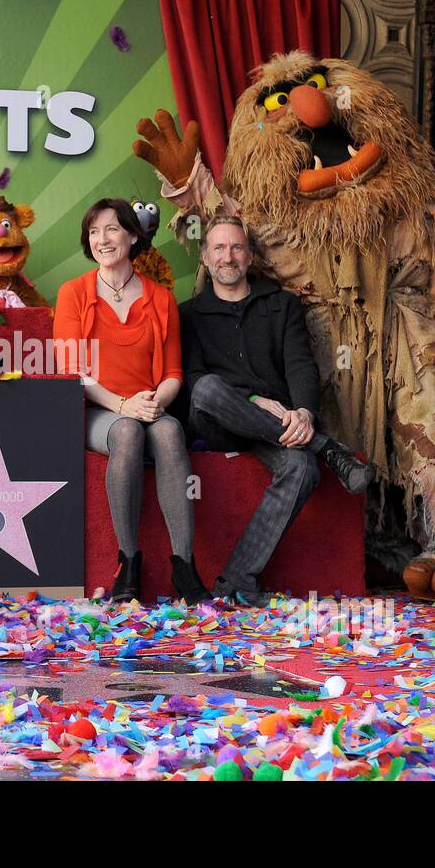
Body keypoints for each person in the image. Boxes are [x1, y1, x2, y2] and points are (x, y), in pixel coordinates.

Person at [181, 216, 372, 606]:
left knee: (301, 469)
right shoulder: (189, 314)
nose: (228, 257)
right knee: (206, 388)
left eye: (236, 248)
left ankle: (237, 582)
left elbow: (300, 365)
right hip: (218, 422)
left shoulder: (280, 305)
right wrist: (251, 400)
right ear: (206, 256)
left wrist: (302, 411)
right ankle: (324, 447)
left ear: (250, 256)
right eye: (218, 248)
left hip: (275, 427)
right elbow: (193, 379)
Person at [54, 198, 208, 605]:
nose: (102, 239)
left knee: (171, 431)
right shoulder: (73, 293)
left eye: (111, 229)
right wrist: (124, 406)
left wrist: (156, 402)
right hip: (98, 410)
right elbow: (73, 371)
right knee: (125, 432)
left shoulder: (160, 298)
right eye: (94, 232)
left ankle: (185, 566)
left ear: (133, 234)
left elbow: (174, 373)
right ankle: (129, 562)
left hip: (149, 405)